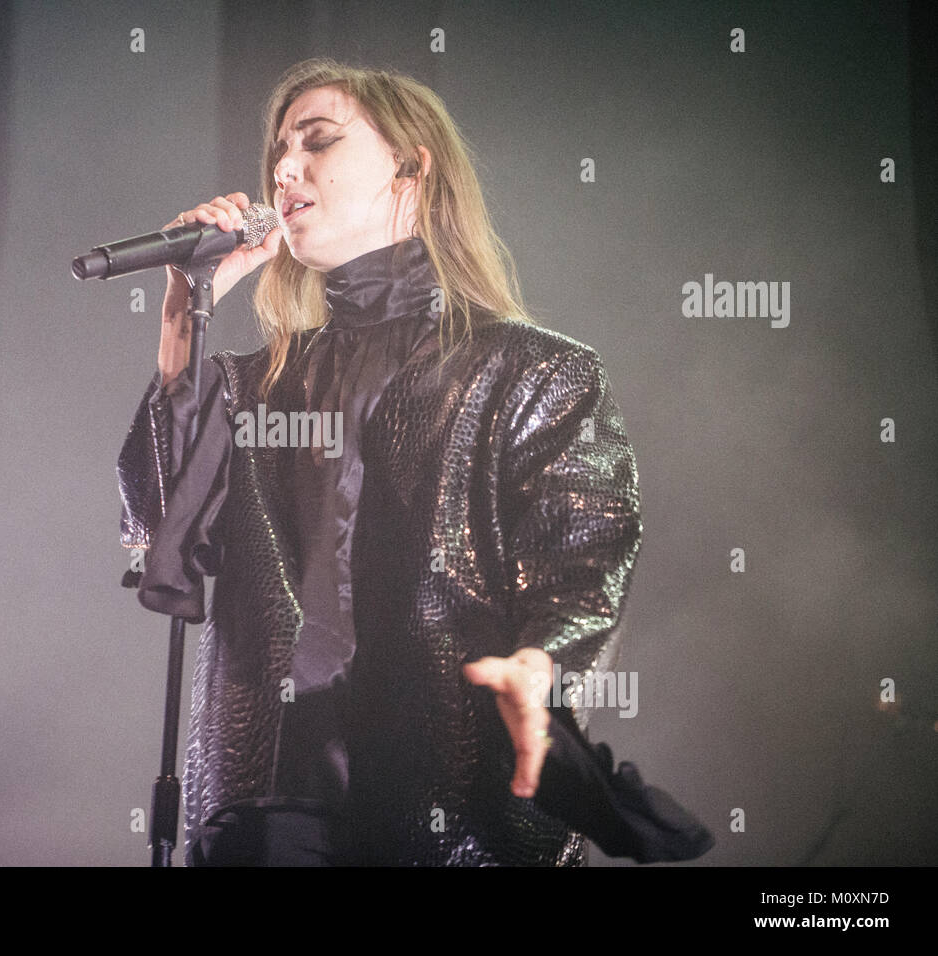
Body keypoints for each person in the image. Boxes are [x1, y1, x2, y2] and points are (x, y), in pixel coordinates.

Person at [117, 58, 643, 866]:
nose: (286, 167)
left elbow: (584, 556)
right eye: (279, 153)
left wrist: (540, 663)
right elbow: (160, 537)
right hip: (269, 805)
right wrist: (186, 316)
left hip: (457, 808)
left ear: (411, 162)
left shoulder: (533, 373)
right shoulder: (253, 388)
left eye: (318, 142)